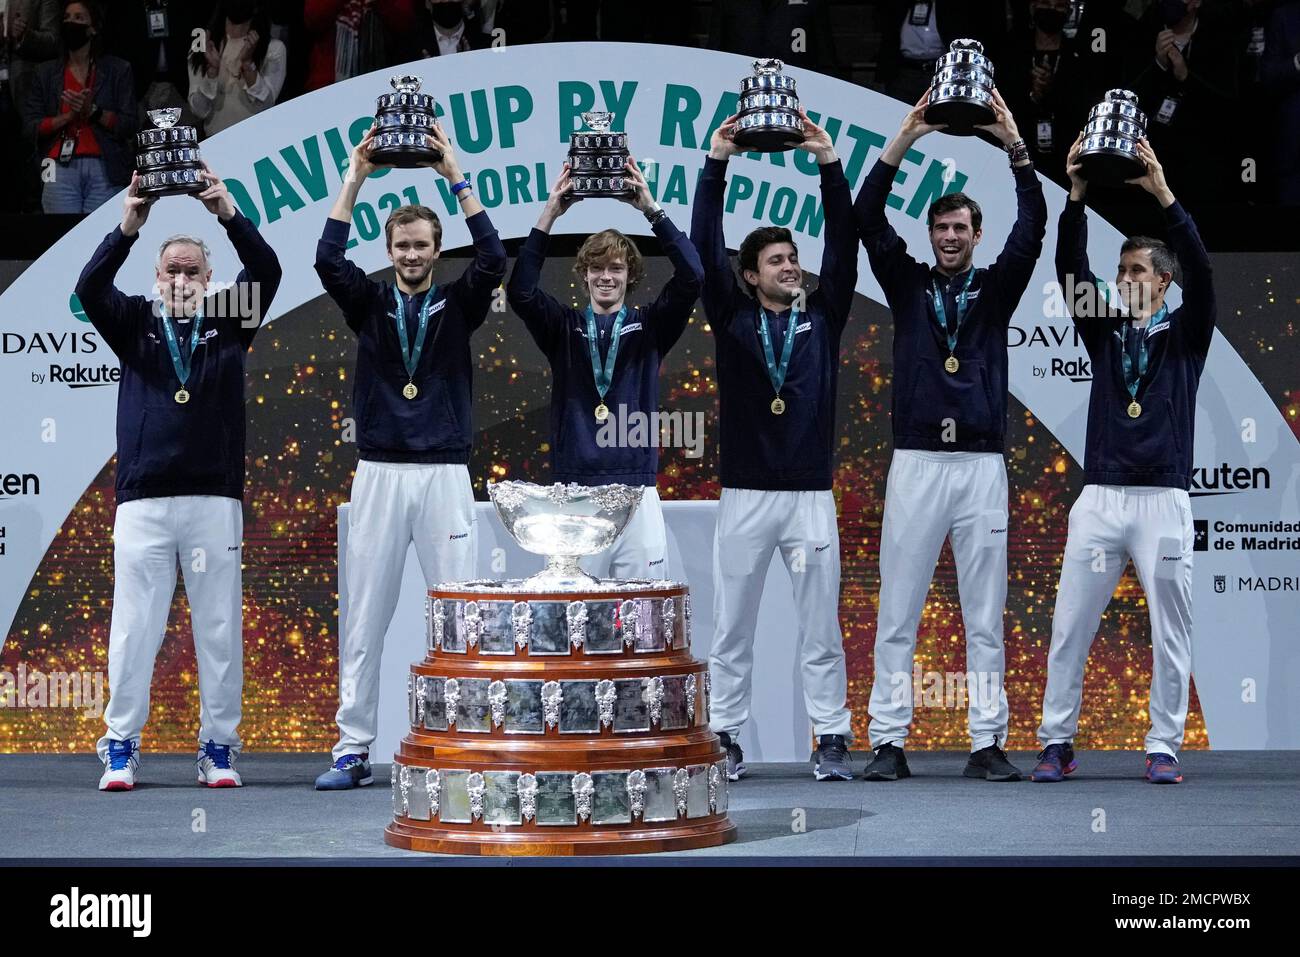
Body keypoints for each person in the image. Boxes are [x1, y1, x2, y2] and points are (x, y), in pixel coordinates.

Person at [855, 87, 1046, 783]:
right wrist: (905, 137)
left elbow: (1034, 227)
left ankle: (986, 741)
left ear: (976, 234)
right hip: (916, 462)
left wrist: (1016, 145)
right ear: (930, 234)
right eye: (941, 228)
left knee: (985, 615)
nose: (950, 237)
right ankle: (887, 741)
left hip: (979, 465)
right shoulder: (906, 284)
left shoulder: (996, 290)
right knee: (897, 609)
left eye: (961, 227)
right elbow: (865, 216)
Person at [312, 121, 507, 790]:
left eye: (422, 245)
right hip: (380, 471)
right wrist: (355, 177)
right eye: (402, 245)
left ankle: (464, 737)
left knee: (459, 611)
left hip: (445, 472)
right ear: (389, 249)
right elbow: (327, 260)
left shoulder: (459, 302)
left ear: (436, 248)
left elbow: (493, 258)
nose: (412, 254)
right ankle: (352, 746)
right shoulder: (368, 301)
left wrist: (455, 174)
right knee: (365, 613)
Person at [75, 163, 282, 791]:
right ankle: (120, 744)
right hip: (143, 501)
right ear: (157, 276)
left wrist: (227, 213)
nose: (183, 280)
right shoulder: (133, 319)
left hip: (214, 500)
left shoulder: (231, 319)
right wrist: (127, 227)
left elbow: (267, 269)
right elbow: (89, 287)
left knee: (218, 628)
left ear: (210, 279)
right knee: (134, 628)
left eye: (194, 271)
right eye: (173, 271)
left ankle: (218, 747)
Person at [1034, 134, 1213, 785]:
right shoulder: (1105, 330)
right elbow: (1070, 270)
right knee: (1069, 625)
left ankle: (1163, 745)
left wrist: (1162, 192)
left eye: (1137, 271)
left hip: (1163, 498)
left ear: (1163, 282)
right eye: (1122, 270)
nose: (1125, 279)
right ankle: (1057, 742)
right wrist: (1076, 195)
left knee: (1170, 630)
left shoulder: (1187, 334)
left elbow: (1203, 271)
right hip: (1102, 498)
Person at [689, 109, 857, 782]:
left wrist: (828, 163)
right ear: (751, 276)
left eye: (792, 258)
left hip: (810, 496)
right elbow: (704, 246)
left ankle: (833, 735)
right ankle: (726, 735)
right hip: (746, 495)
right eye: (776, 261)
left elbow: (843, 242)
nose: (790, 267)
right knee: (733, 625)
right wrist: (716, 162)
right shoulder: (731, 316)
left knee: (820, 628)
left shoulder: (825, 315)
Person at [505, 158, 702, 580]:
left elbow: (693, 276)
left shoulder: (650, 326)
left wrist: (651, 210)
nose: (606, 277)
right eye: (597, 268)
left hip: (637, 491)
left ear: (630, 275)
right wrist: (550, 214)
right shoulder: (564, 327)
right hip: (575, 493)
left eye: (616, 268)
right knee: (578, 606)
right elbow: (520, 291)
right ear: (584, 274)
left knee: (644, 605)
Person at [23, 0, 137, 213]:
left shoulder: (118, 70)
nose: (71, 23)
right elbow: (31, 127)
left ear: (93, 28)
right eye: (67, 18)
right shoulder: (45, 73)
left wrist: (93, 112)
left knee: (102, 230)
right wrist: (68, 117)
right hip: (57, 166)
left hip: (104, 166)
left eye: (78, 18)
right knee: (60, 230)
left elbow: (129, 124)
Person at [187, 0, 287, 138]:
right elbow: (199, 111)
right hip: (215, 142)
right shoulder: (204, 47)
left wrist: (248, 65)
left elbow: (266, 107)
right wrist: (212, 73)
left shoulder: (274, 49)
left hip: (256, 143)